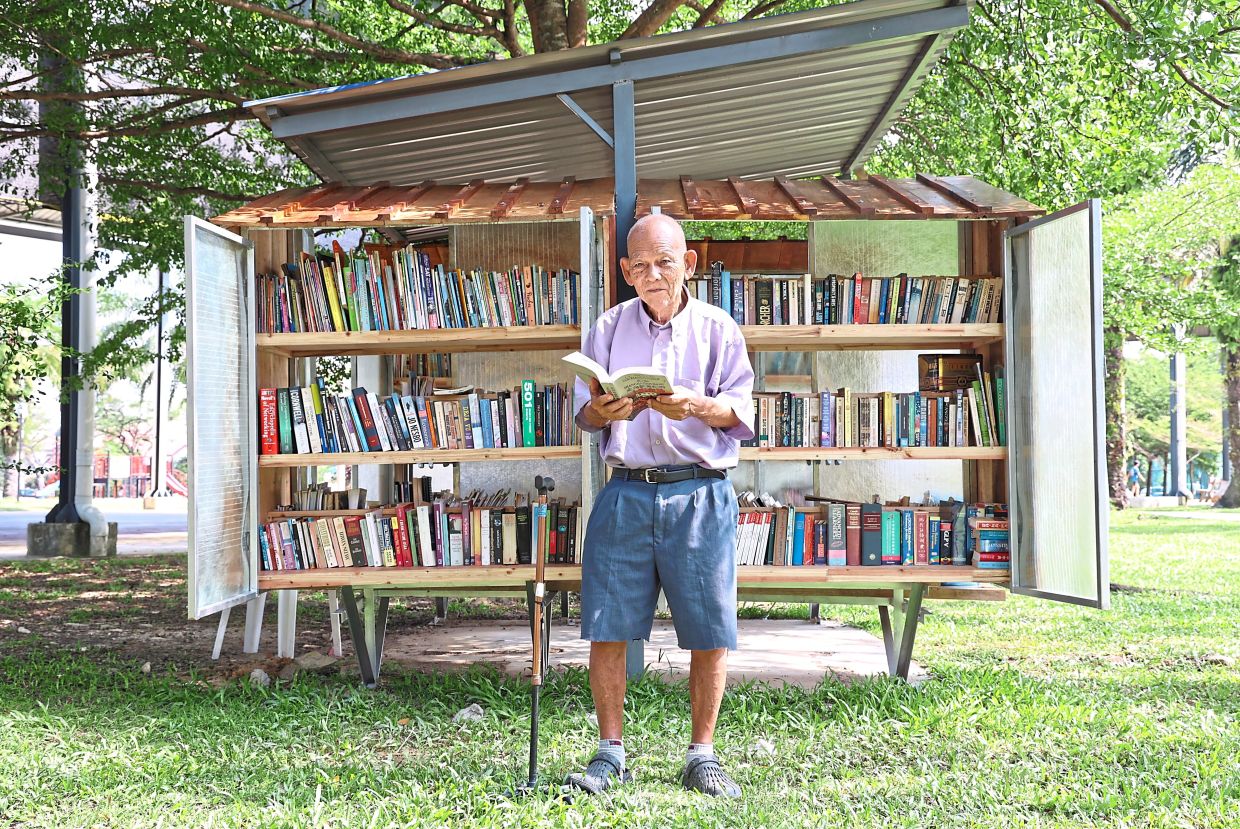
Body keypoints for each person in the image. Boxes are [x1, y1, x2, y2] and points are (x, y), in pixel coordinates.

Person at [564, 213, 754, 799]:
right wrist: (604, 412)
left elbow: (742, 413)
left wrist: (698, 406)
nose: (652, 274)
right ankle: (609, 753)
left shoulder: (719, 329)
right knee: (608, 624)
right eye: (639, 265)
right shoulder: (606, 327)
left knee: (708, 628)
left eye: (664, 261)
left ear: (688, 264)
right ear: (625, 271)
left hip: (698, 489)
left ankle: (702, 755)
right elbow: (584, 411)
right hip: (625, 489)